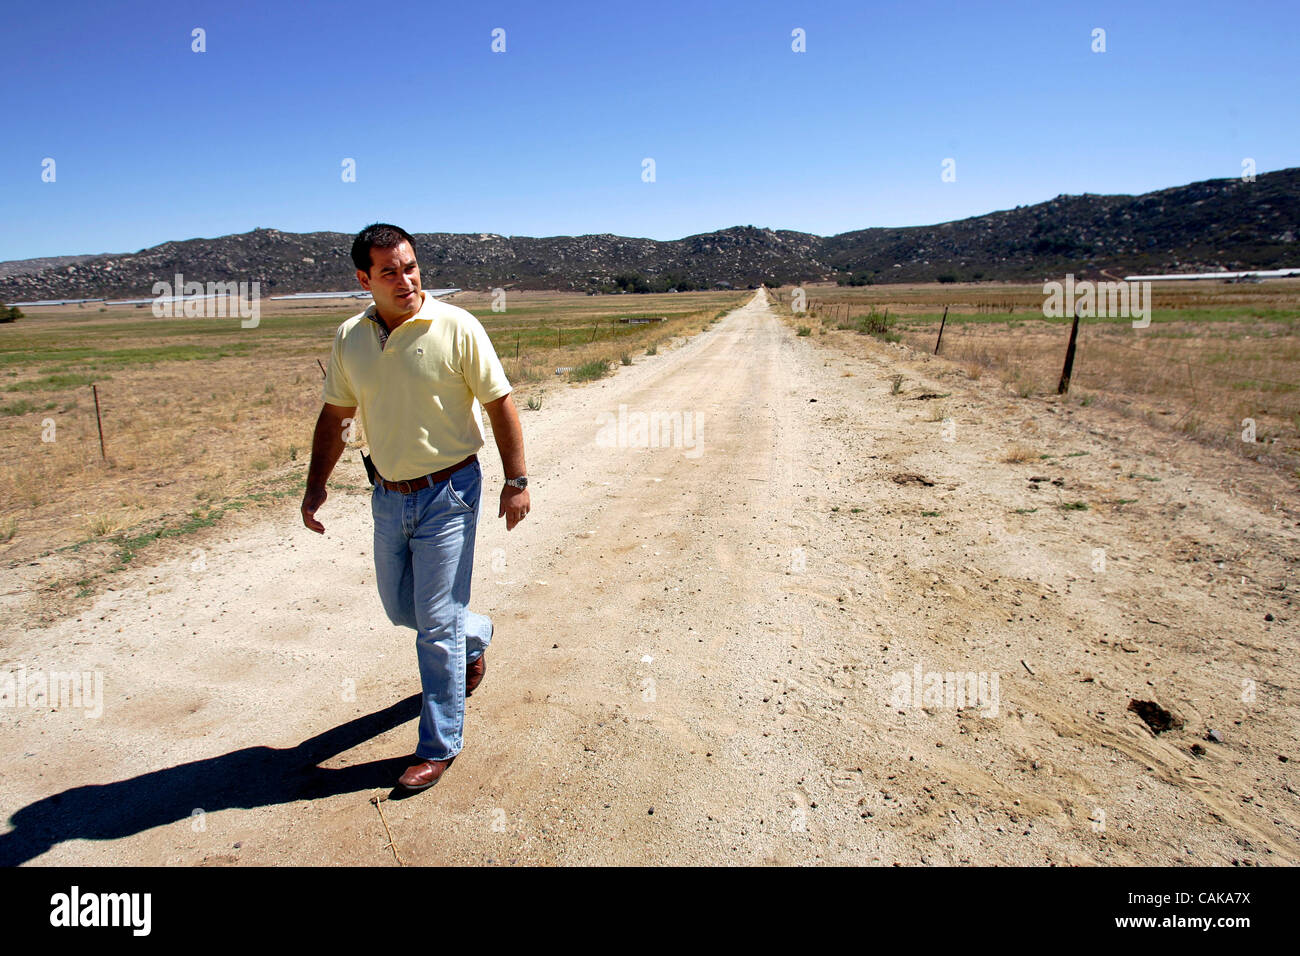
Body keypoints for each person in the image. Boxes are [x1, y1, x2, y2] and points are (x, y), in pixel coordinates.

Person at [300, 223, 530, 792]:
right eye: (388, 272)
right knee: (404, 611)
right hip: (388, 494)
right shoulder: (351, 337)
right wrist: (315, 485)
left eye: (410, 267)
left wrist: (516, 479)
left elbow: (500, 402)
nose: (404, 280)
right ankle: (473, 634)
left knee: (433, 628)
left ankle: (439, 744)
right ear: (363, 279)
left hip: (452, 491)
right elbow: (335, 416)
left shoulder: (457, 326)